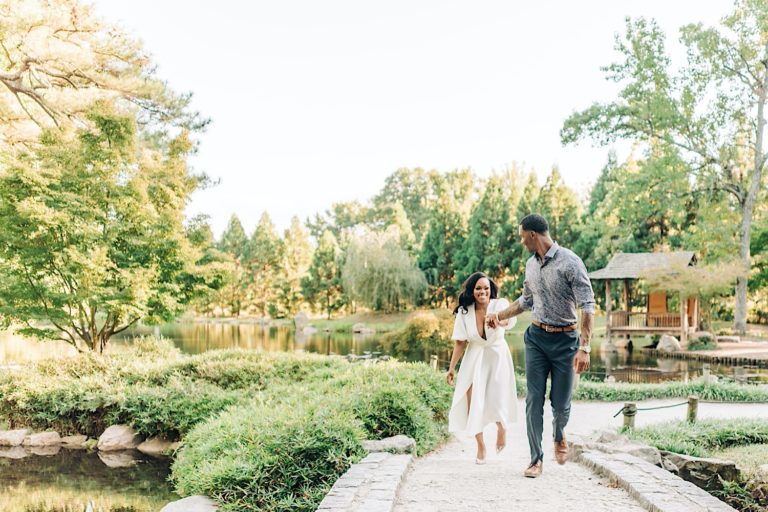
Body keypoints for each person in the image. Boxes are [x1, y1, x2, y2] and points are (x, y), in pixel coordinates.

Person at [487, 214, 594, 478]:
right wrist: (499, 316)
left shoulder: (570, 262)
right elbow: (526, 301)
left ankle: (559, 434)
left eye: (523, 236)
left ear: (533, 235)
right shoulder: (530, 265)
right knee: (534, 399)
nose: (522, 241)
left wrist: (585, 347)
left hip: (566, 342)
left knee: (560, 404)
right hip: (536, 338)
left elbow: (587, 306)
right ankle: (536, 459)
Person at [446, 271, 518, 465]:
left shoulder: (499, 304)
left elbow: (510, 321)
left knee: (497, 400)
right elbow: (460, 342)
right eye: (478, 288)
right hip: (474, 357)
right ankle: (480, 445)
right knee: (471, 403)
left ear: (490, 290)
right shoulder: (464, 311)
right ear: (472, 290)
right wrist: (451, 368)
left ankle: (502, 429)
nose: (482, 291)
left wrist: (499, 320)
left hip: (497, 356)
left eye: (486, 288)